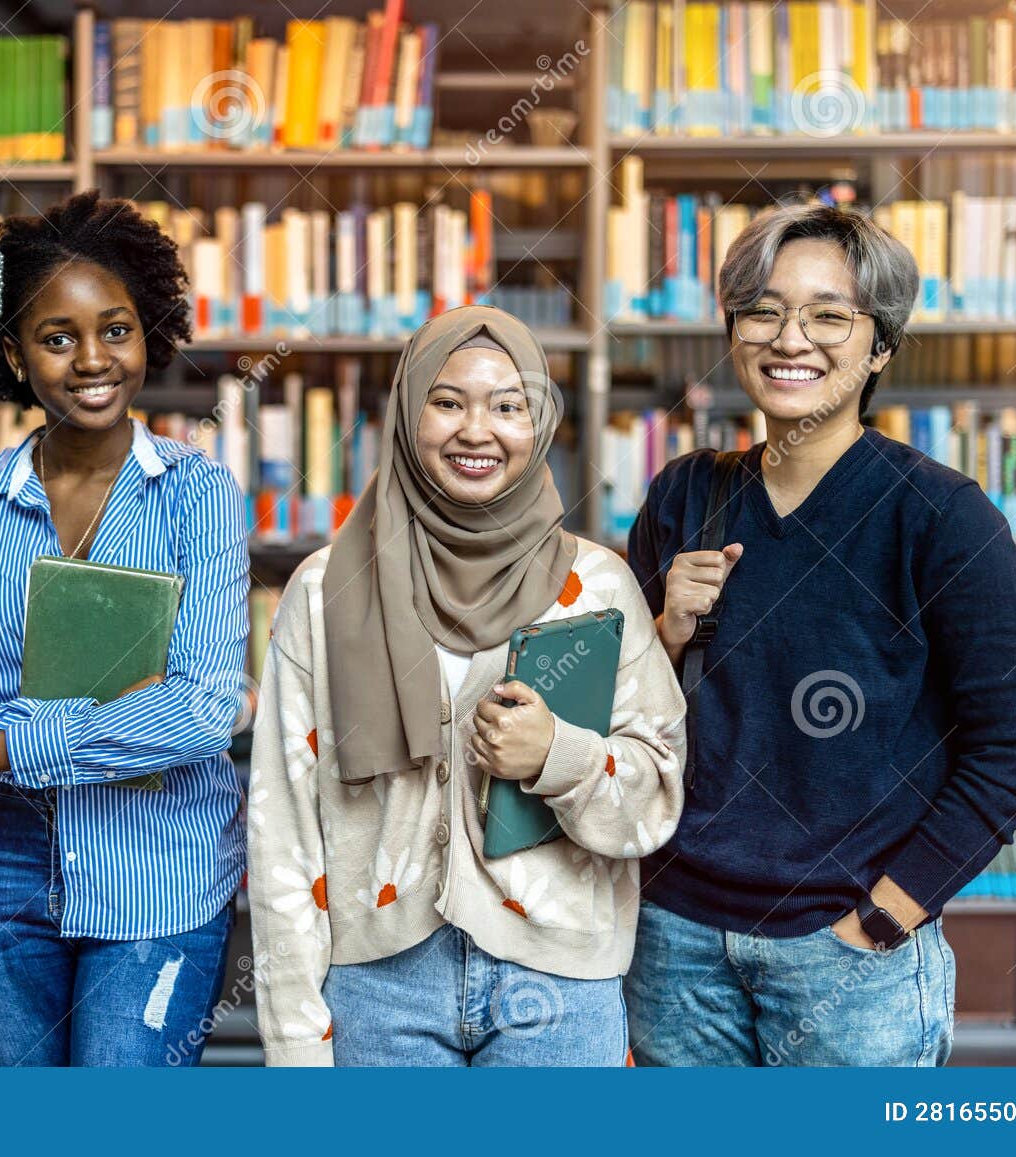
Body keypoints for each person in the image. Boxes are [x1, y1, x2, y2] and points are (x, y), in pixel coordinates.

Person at [624, 203, 1016, 1066]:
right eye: (764, 310)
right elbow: (619, 721)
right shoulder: (684, 497)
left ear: (880, 346)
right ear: (735, 329)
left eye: (830, 314)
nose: (792, 338)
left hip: (849, 956)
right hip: (674, 943)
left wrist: (890, 911)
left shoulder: (942, 517)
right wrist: (662, 633)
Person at [248, 305, 687, 1066]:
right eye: (446, 401)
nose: (476, 430)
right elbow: (283, 823)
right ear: (407, 413)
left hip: (560, 981)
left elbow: (656, 797)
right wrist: (293, 1036)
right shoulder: (324, 591)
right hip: (378, 986)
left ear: (540, 423)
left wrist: (561, 757)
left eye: (508, 405)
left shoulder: (597, 588)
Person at [0, 191, 250, 1067]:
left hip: (161, 873)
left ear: (148, 331)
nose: (94, 360)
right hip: (3, 875)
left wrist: (5, 741)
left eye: (115, 330)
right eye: (58, 338)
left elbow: (202, 712)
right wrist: (123, 716)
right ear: (14, 352)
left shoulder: (201, 498)